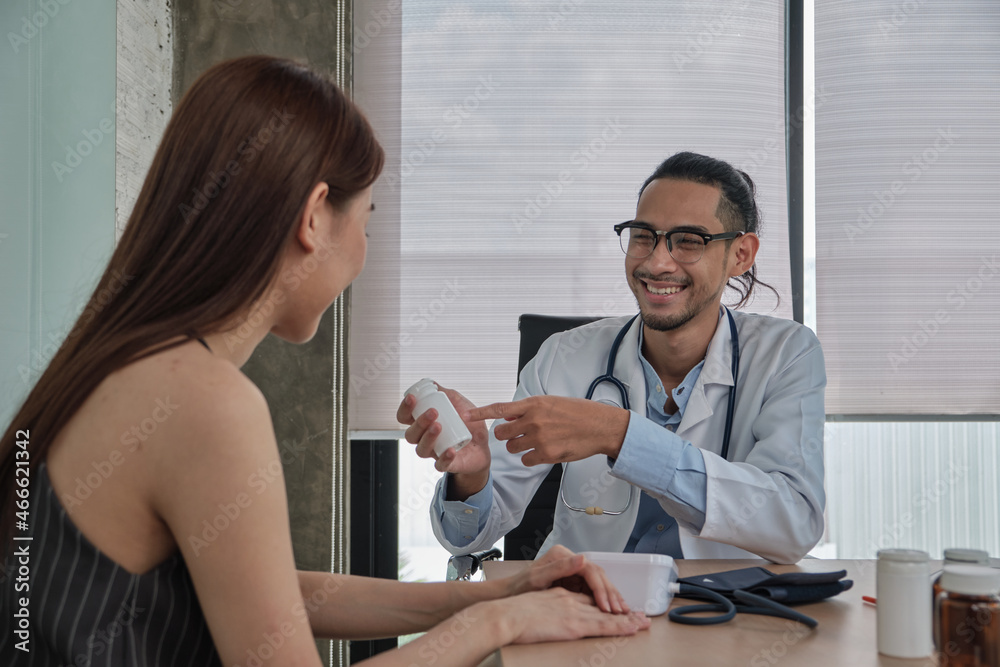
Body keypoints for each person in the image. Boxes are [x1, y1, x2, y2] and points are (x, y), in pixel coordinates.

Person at [0, 56, 649, 666]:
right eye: (367, 220)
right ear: (314, 217)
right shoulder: (205, 401)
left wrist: (486, 594)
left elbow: (272, 592)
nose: (365, 252)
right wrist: (496, 628)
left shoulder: (129, 359)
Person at [401, 152, 826, 565]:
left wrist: (621, 436)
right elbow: (467, 536)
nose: (658, 262)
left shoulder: (786, 354)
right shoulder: (563, 356)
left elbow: (794, 524)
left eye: (688, 242)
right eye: (643, 235)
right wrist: (472, 476)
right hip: (581, 606)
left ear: (741, 254)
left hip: (722, 612)